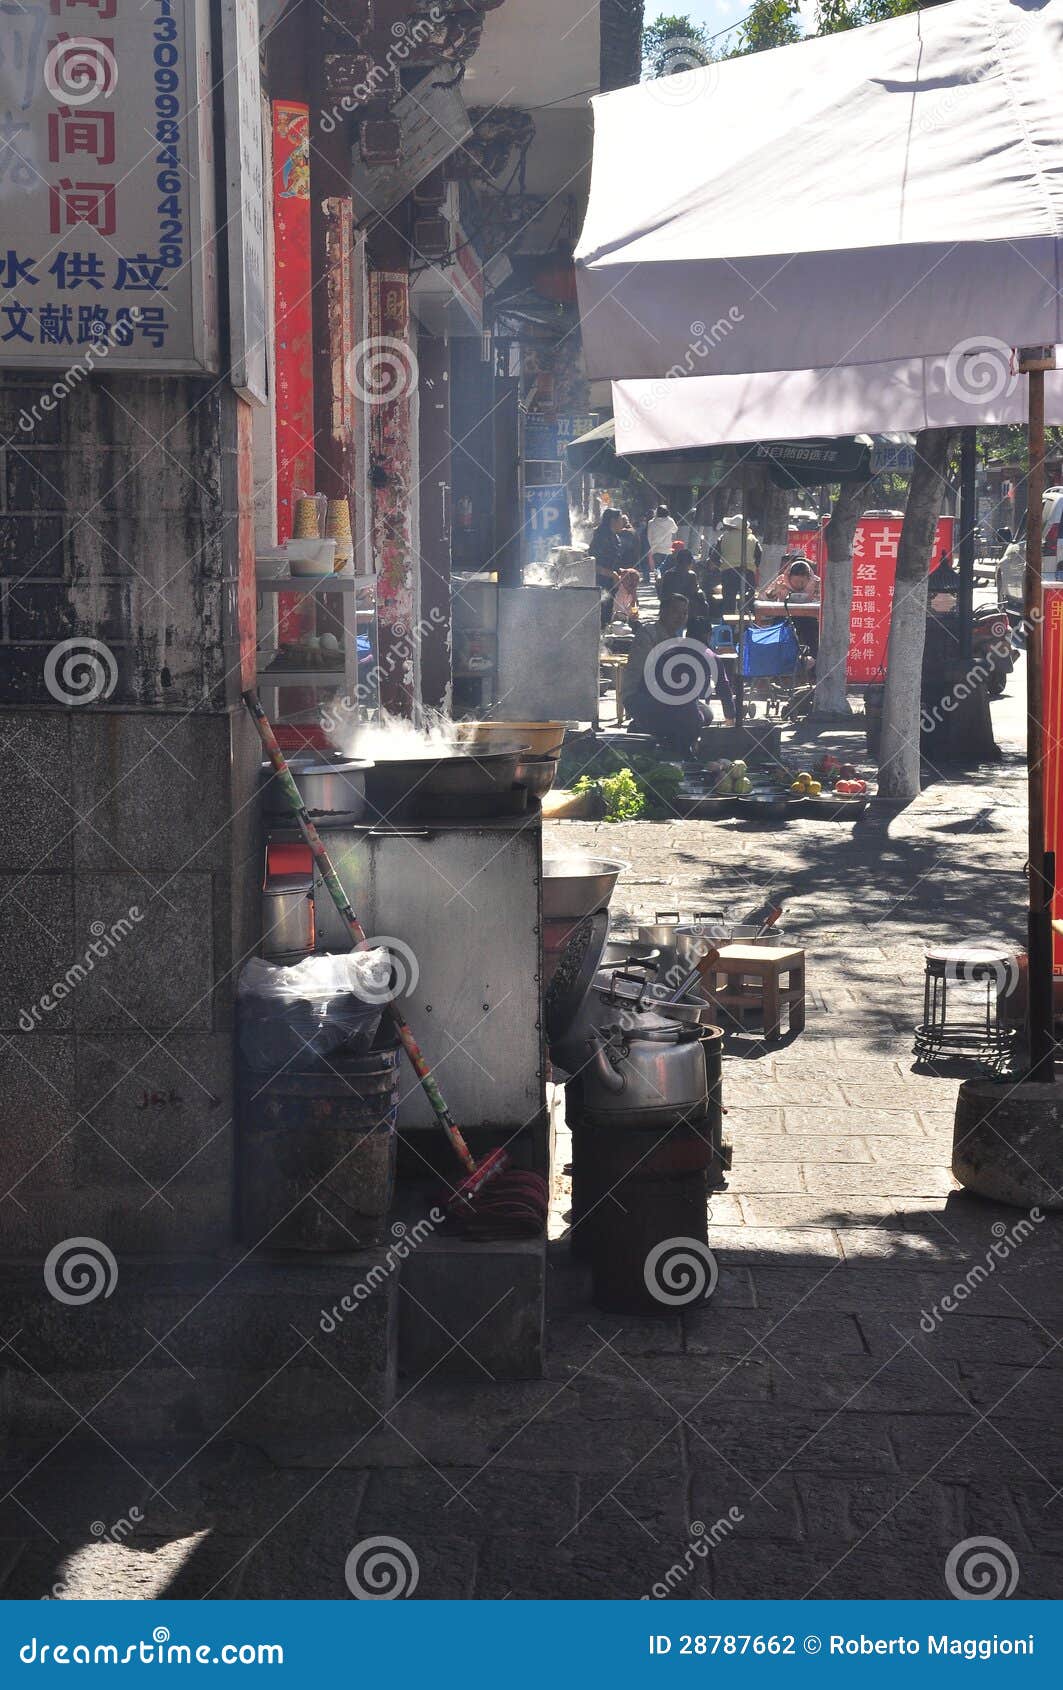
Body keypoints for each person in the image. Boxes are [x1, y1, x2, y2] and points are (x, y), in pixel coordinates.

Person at [717, 514, 759, 615]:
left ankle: (728, 628)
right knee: (747, 602)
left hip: (728, 573)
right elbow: (758, 556)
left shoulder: (723, 537)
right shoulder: (753, 539)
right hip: (748, 573)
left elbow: (715, 556)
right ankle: (747, 625)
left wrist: (721, 566)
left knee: (728, 602)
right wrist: (753, 567)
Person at [589, 508, 623, 628]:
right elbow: (593, 564)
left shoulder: (616, 537)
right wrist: (612, 574)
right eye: (620, 519)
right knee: (601, 615)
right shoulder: (600, 538)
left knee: (608, 613)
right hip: (600, 582)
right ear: (613, 521)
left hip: (611, 585)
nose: (622, 522)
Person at [646, 504, 679, 575]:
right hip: (668, 549)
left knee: (658, 570)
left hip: (656, 549)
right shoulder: (670, 521)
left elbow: (649, 536)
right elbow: (675, 530)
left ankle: (658, 583)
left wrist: (652, 546)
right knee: (667, 569)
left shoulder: (651, 522)